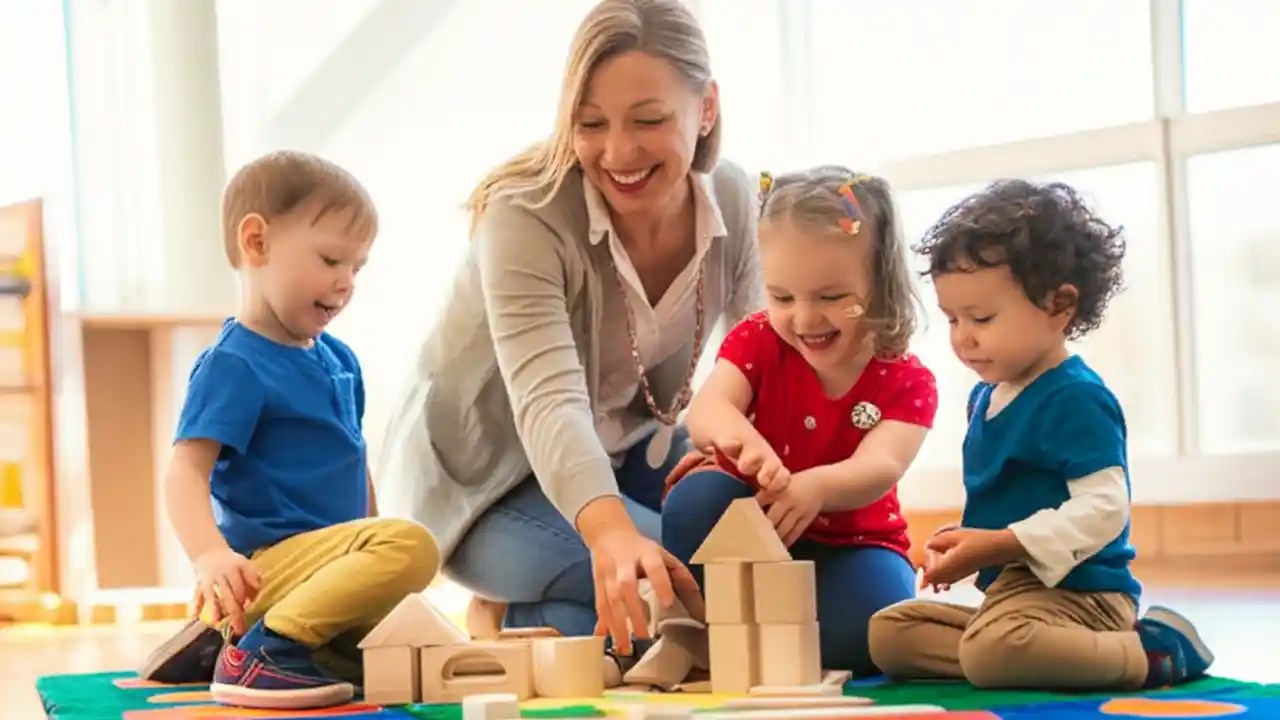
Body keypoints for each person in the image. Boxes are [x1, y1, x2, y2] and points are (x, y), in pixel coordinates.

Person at [375, 0, 762, 659]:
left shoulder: (732, 198)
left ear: (706, 109)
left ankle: (528, 613)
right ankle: (511, 609)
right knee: (682, 590)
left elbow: (760, 366)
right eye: (590, 124)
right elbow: (549, 402)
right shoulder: (523, 216)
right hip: (483, 483)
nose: (618, 151)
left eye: (649, 120)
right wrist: (612, 535)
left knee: (741, 579)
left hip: (626, 453)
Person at [867, 179, 1214, 690]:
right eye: (952, 319)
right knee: (888, 634)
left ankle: (1153, 651)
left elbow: (1104, 509)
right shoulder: (988, 397)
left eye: (981, 318)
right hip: (1018, 594)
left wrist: (999, 544)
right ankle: (1021, 655)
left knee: (993, 652)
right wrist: (968, 544)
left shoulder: (1074, 398)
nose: (963, 337)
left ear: (1059, 307)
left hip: (1085, 597)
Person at [137, 151, 440, 710]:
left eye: (357, 267)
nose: (346, 282)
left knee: (393, 659)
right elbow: (185, 470)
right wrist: (209, 557)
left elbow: (354, 459)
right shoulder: (236, 363)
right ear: (256, 242)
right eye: (330, 259)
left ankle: (231, 642)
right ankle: (263, 651)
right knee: (415, 544)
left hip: (326, 567)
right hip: (265, 570)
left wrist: (372, 555)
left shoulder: (339, 359)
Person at [661, 165, 939, 675]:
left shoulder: (906, 380)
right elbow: (708, 409)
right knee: (695, 501)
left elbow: (881, 465)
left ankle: (756, 638)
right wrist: (744, 444)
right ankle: (716, 624)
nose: (805, 319)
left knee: (871, 633)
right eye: (782, 297)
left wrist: (817, 487)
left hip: (855, 545)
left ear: (879, 283)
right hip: (754, 524)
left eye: (831, 297)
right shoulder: (759, 339)